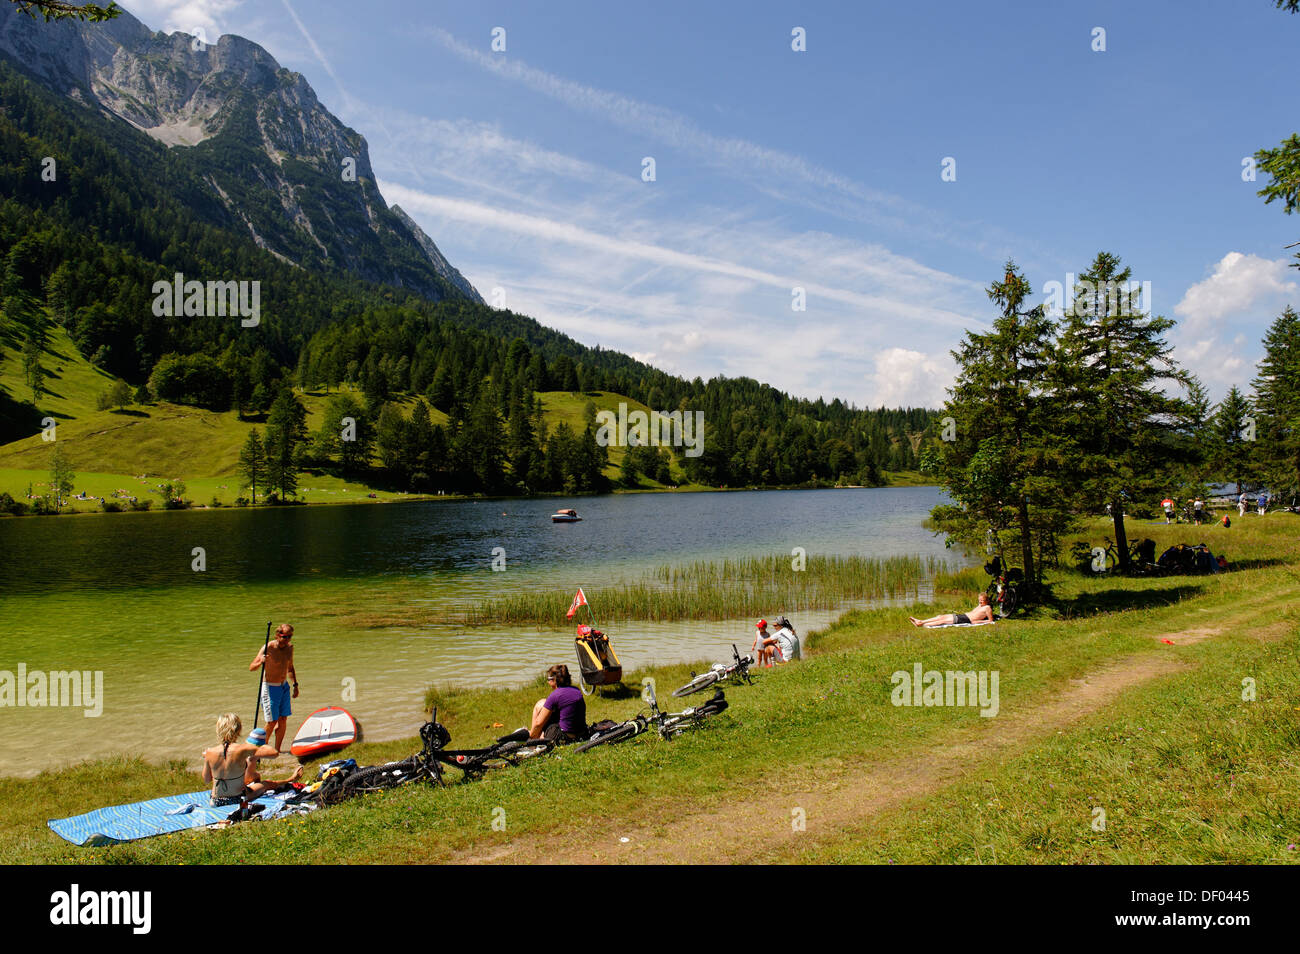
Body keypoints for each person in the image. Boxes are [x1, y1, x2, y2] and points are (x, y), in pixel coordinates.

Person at [202, 713, 280, 806]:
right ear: (238, 730)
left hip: (216, 801)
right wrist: (259, 744)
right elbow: (274, 753)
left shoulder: (209, 752)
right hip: (238, 799)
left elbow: (207, 779)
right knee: (266, 784)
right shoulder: (243, 749)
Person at [249, 623, 299, 752]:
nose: (287, 640)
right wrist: (261, 661)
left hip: (284, 687)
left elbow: (290, 668)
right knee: (272, 721)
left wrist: (295, 685)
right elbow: (251, 667)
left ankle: (277, 750)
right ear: (277, 635)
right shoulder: (268, 647)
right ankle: (260, 750)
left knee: (283, 719)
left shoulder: (290, 648)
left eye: (289, 637)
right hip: (270, 687)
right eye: (284, 636)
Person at [529, 664, 587, 743]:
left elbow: (538, 723)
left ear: (554, 680)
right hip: (582, 734)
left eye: (548, 679)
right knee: (543, 705)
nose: (547, 681)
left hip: (565, 737)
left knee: (540, 706)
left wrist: (530, 738)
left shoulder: (555, 695)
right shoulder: (576, 690)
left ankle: (532, 741)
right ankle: (538, 737)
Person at [242, 727, 303, 796]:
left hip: (232, 790)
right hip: (241, 795)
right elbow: (275, 753)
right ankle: (291, 779)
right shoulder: (251, 758)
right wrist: (264, 746)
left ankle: (259, 790)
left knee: (256, 776)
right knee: (267, 784)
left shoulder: (243, 755)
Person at [910, 593, 996, 628]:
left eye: (982, 600)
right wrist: (980, 602)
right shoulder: (981, 606)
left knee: (942, 621)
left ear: (987, 601)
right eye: (979, 600)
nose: (980, 602)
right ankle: (921, 621)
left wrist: (978, 622)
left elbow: (990, 620)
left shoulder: (987, 608)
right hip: (963, 616)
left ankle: (921, 625)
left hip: (966, 619)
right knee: (940, 616)